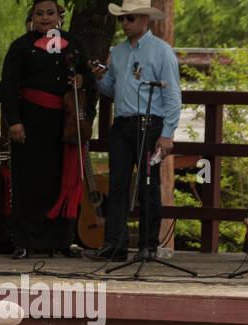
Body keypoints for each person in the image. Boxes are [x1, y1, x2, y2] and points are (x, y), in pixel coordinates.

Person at [0, 0, 95, 258]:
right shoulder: (21, 46)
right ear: (33, 16)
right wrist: (14, 121)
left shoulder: (74, 43)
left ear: (59, 16)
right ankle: (24, 240)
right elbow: (9, 87)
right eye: (39, 14)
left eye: (50, 13)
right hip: (30, 119)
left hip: (63, 123)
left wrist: (82, 79)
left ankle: (61, 240)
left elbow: (90, 78)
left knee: (60, 179)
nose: (45, 18)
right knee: (28, 179)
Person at [86, 0, 181, 261]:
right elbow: (111, 89)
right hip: (123, 124)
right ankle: (115, 244)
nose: (125, 24)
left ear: (145, 20)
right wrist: (98, 78)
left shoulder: (161, 51)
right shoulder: (118, 51)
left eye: (130, 19)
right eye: (122, 19)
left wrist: (168, 132)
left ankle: (148, 246)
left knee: (148, 185)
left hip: (150, 125)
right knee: (117, 185)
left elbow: (173, 94)